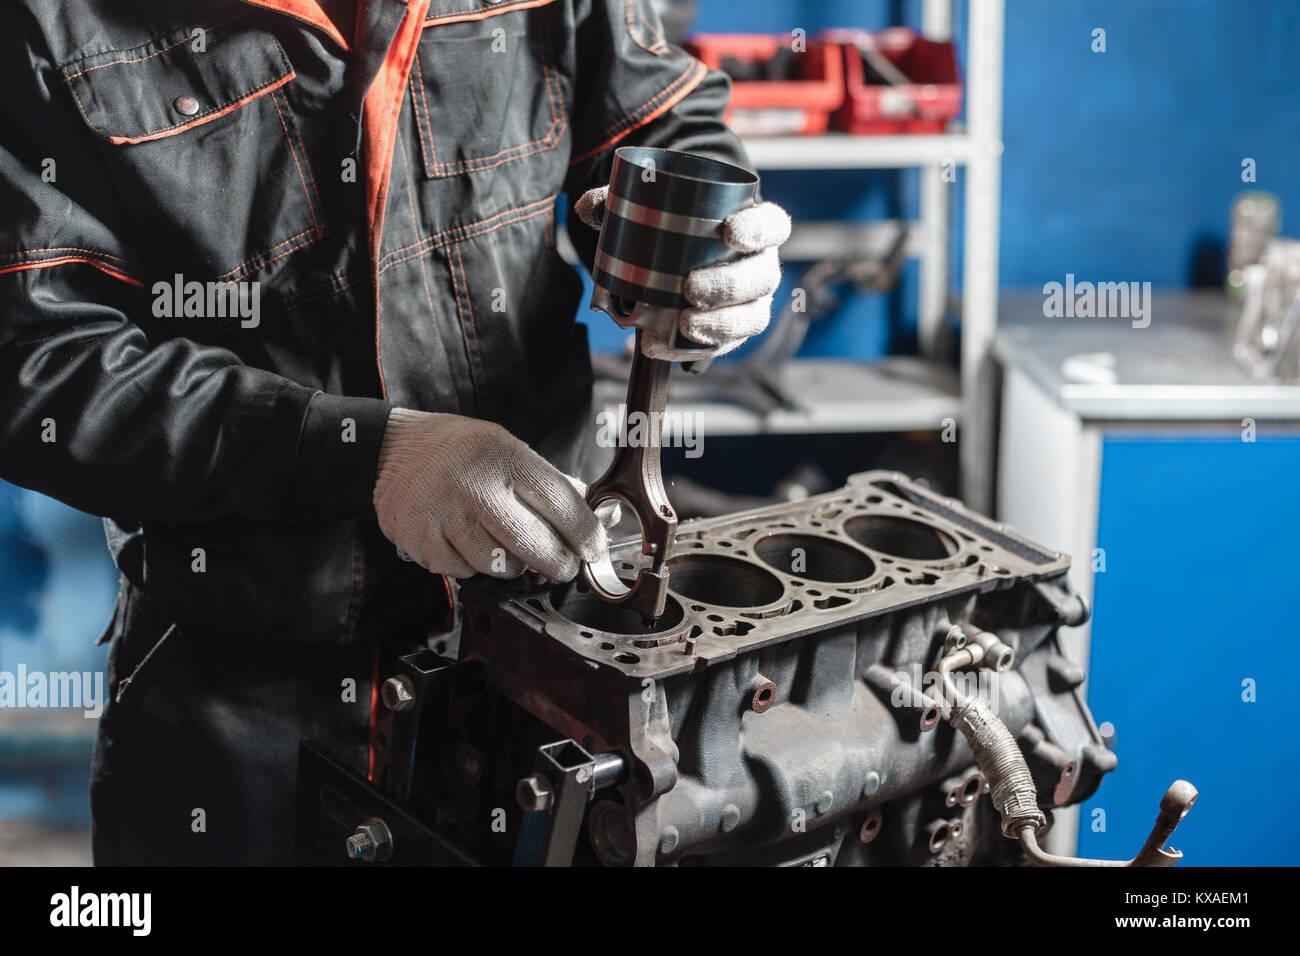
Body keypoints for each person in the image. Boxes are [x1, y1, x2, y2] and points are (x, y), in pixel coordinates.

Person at [0, 0, 789, 864]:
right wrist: (366, 453)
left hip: (541, 653)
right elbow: (38, 364)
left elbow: (659, 116)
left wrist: (713, 242)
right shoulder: (49, 19)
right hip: (244, 694)